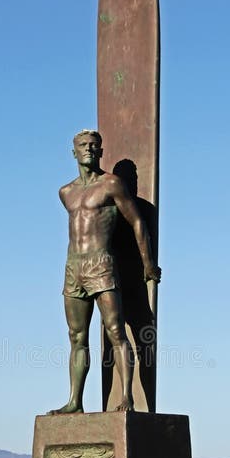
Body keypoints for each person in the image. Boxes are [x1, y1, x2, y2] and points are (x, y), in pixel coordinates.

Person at [49, 129, 161, 414]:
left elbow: (137, 223)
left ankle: (127, 398)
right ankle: (75, 401)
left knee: (117, 331)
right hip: (74, 267)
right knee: (77, 336)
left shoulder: (112, 185)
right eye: (82, 145)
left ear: (101, 151)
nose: (88, 149)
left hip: (101, 263)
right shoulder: (66, 193)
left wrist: (147, 263)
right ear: (73, 152)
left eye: (93, 145)